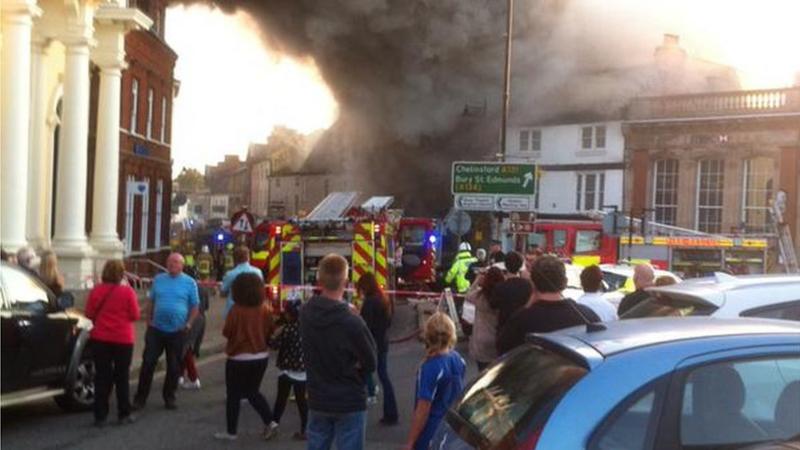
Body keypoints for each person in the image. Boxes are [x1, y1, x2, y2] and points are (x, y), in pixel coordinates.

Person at [300, 254, 377, 450]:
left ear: (319, 280)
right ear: (346, 282)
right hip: (349, 400)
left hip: (318, 398)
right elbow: (371, 362)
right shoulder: (352, 321)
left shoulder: (305, 314)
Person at [214, 272, 278, 441]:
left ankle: (231, 432)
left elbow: (227, 332)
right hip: (261, 356)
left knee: (233, 395)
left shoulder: (236, 310)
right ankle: (270, 421)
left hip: (238, 357)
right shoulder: (265, 309)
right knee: (252, 392)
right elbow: (271, 330)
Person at [133, 253, 199, 411]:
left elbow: (195, 306)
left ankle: (169, 397)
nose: (172, 264)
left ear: (182, 265)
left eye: (175, 262)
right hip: (156, 329)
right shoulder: (159, 279)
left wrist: (189, 324)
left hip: (177, 331)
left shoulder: (190, 283)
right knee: (148, 363)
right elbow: (151, 301)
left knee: (174, 366)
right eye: (169, 262)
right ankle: (140, 398)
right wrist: (148, 320)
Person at [497, 255, 600, 355]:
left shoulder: (520, 320)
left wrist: (527, 306)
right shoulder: (589, 317)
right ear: (565, 282)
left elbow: (502, 349)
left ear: (532, 282)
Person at [84, 260, 140, 426]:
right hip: (123, 338)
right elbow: (135, 315)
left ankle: (100, 415)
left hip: (100, 338)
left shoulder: (96, 290)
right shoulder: (127, 292)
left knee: (102, 376)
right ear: (121, 274)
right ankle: (124, 413)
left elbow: (89, 313)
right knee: (122, 376)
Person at [404, 313, 466, 450]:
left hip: (432, 431)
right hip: (452, 428)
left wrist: (410, 442)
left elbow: (423, 410)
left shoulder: (430, 368)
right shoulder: (458, 359)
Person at [357, 272, 399, 426]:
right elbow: (387, 322)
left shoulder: (369, 302)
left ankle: (355, 413)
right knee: (384, 377)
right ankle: (391, 412)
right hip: (382, 343)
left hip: (371, 345)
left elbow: (365, 326)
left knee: (361, 377)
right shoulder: (383, 299)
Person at [269, 298, 308, 441]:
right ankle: (305, 429)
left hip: (286, 369)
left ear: (290, 314)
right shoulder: (307, 329)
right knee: (301, 401)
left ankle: (273, 426)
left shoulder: (287, 329)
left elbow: (274, 345)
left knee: (281, 399)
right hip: (301, 371)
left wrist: (272, 334)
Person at [466, 266, 505, 371]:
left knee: (482, 371)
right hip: (496, 337)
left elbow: (468, 296)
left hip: (480, 339)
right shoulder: (502, 297)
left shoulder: (480, 296)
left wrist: (476, 280)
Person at [490, 251, 535, 331]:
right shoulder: (528, 286)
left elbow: (493, 305)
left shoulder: (500, 287)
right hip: (522, 327)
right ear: (520, 265)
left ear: (505, 265)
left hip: (504, 327)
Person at [179, 282, 209, 390]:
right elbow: (206, 307)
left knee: (185, 348)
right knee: (186, 348)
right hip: (201, 319)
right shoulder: (202, 288)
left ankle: (194, 378)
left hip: (189, 318)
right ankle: (180, 376)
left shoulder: (183, 286)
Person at [221, 245, 263, 316]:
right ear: (248, 257)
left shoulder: (230, 274)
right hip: (254, 311)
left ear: (235, 259)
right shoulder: (258, 272)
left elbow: (223, 292)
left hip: (233, 311)